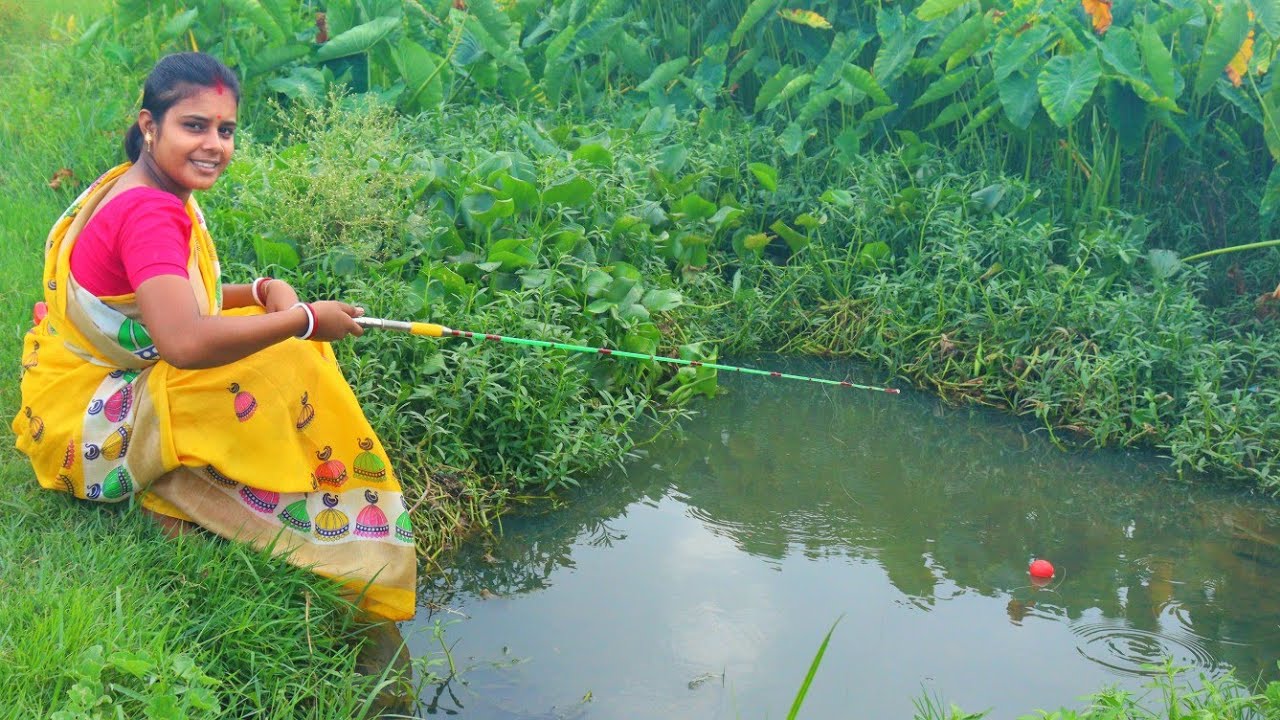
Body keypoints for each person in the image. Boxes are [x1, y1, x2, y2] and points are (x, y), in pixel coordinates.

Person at [11, 52, 416, 622]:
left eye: (225, 130)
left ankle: (199, 476)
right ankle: (225, 501)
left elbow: (161, 298)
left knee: (269, 340)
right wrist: (303, 321)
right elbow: (183, 343)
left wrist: (258, 290)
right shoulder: (151, 213)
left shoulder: (134, 187)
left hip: (68, 386)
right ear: (149, 126)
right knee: (290, 362)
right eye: (194, 126)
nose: (214, 145)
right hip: (92, 423)